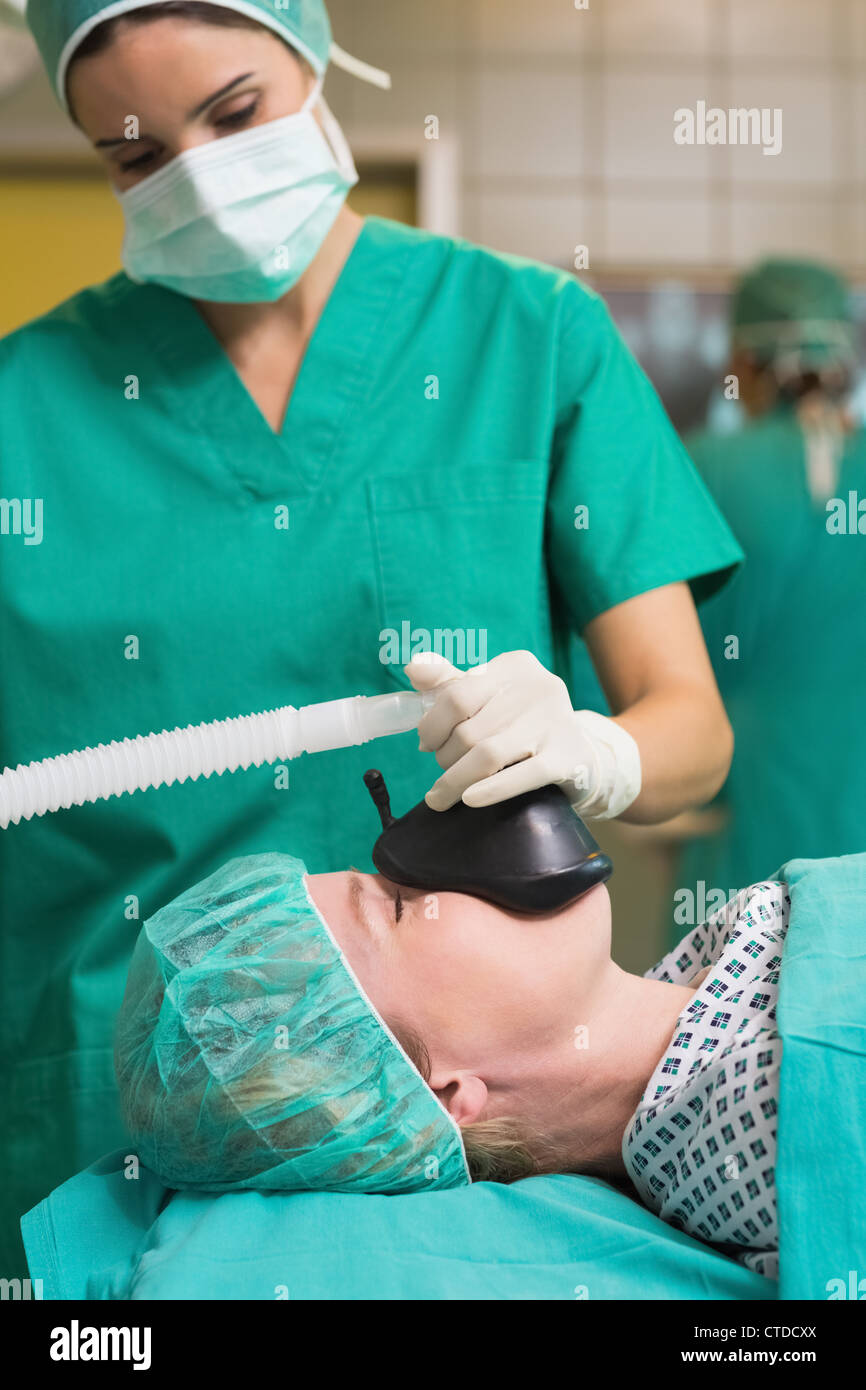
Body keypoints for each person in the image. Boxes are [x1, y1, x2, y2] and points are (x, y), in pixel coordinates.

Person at [1, 0, 741, 1274]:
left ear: (314, 49)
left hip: (472, 1137)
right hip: (104, 1122)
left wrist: (597, 753)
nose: (202, 180)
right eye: (136, 154)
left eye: (235, 113)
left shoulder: (528, 338)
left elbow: (689, 726)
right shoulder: (25, 413)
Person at [116, 850, 788, 1278]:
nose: (429, 862)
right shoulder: (764, 1117)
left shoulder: (719, 960)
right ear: (440, 1096)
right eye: (399, 905)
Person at [673, 258, 866, 910]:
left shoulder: (705, 468)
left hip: (742, 808)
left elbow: (634, 648)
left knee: (731, 991)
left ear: (745, 364)